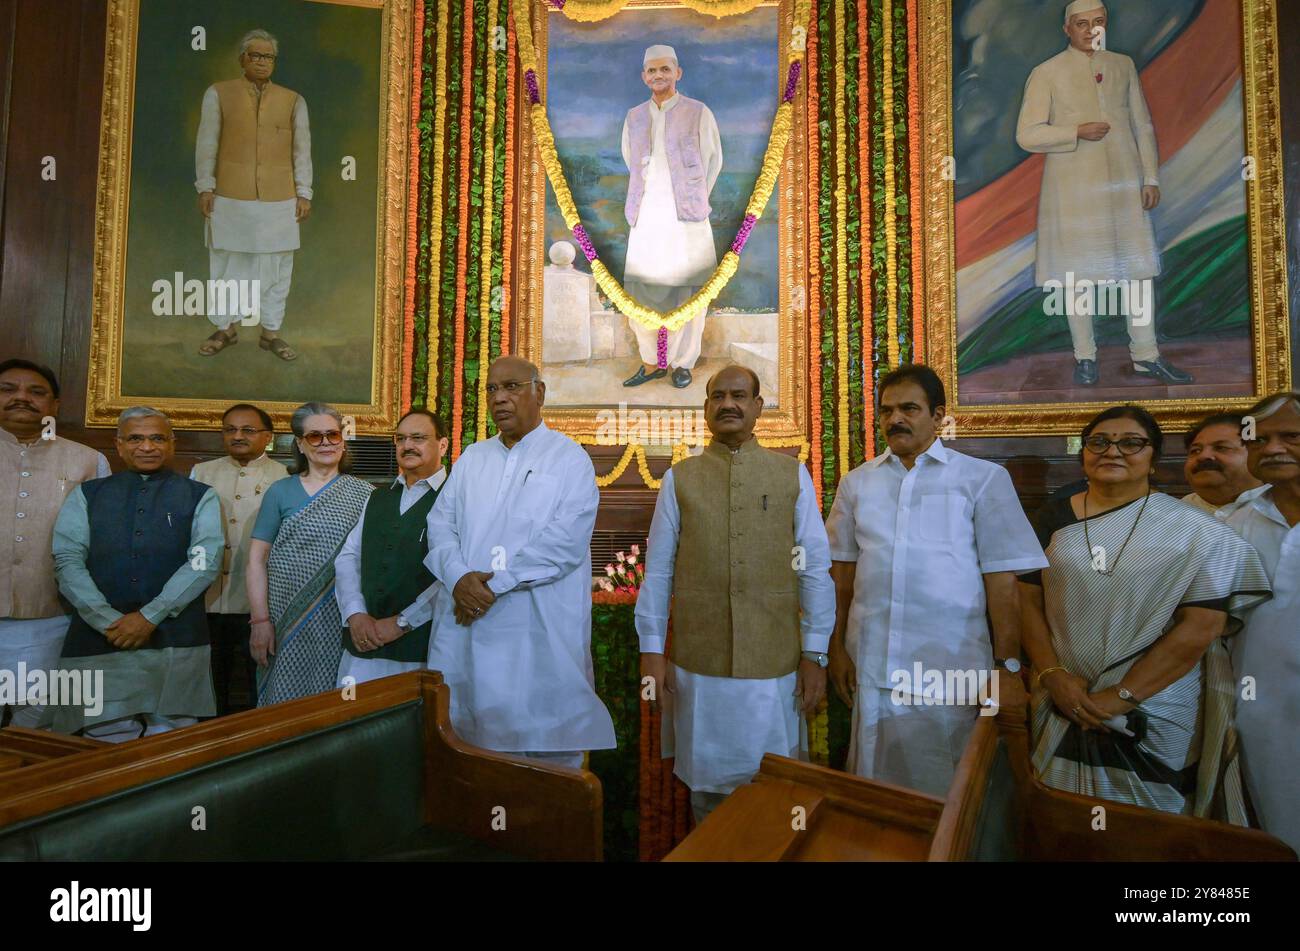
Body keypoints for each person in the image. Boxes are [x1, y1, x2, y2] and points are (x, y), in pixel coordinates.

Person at [1018, 405, 1270, 819]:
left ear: (1152, 458)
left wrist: (1121, 697)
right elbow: (1025, 600)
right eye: (1099, 442)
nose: (1112, 451)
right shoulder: (1052, 517)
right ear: (1083, 453)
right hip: (1063, 696)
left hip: (1156, 703)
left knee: (1150, 829)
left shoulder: (1194, 530)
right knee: (1061, 823)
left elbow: (1200, 627)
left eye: (1131, 443)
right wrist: (1053, 676)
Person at [826, 364, 1047, 796]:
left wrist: (1007, 667)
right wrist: (836, 650)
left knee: (950, 792)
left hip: (950, 670)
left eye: (909, 408)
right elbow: (842, 579)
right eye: (886, 410)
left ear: (939, 415)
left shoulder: (981, 479)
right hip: (873, 663)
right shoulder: (858, 483)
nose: (895, 420)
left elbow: (1003, 584)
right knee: (874, 793)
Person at [636, 364, 835, 822]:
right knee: (705, 793)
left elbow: (815, 568)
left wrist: (816, 653)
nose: (728, 404)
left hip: (775, 665)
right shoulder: (680, 478)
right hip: (698, 668)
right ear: (706, 408)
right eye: (718, 396)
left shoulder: (791, 475)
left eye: (739, 396)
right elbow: (659, 570)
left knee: (773, 789)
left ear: (758, 406)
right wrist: (651, 650)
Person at [425, 356, 615, 768]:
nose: (500, 398)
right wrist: (458, 578)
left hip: (538, 639)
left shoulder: (569, 459)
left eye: (511, 387)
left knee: (546, 773)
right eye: (492, 389)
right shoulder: (473, 458)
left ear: (539, 393)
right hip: (469, 632)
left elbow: (563, 544)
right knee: (472, 760)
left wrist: (491, 585)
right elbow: (440, 526)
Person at [1015, 2, 1191, 387]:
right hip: (1073, 189)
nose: (1090, 30)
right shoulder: (1047, 72)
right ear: (1067, 29)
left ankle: (1146, 355)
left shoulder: (1122, 65)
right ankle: (1085, 357)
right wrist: (1074, 130)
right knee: (1077, 276)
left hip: (1125, 183)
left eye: (1097, 22)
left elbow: (1142, 124)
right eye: (1081, 24)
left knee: (1138, 270)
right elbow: (1027, 134)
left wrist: (1150, 178)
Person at [51, 407, 223, 740]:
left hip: (176, 636)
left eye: (157, 438)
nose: (147, 447)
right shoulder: (87, 494)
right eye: (135, 438)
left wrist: (149, 616)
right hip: (99, 636)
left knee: (174, 741)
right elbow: (67, 560)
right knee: (104, 739)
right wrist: (106, 620)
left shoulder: (200, 495)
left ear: (172, 443)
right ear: (119, 445)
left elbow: (204, 561)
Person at [0, 360, 109, 728]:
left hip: (47, 612)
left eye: (36, 392)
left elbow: (102, 540)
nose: (21, 398)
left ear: (55, 405)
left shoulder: (87, 460)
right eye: (8, 389)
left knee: (35, 717)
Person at [195, 28, 312, 362]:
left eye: (268, 57)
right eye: (256, 56)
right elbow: (207, 142)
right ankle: (225, 328)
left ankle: (271, 333)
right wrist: (206, 185)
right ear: (242, 59)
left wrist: (304, 192)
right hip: (230, 194)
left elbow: (302, 150)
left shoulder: (293, 100)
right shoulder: (218, 94)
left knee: (276, 268)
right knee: (226, 264)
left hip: (280, 197)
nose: (262, 63)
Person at [246, 402, 372, 705]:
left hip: (340, 616)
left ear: (342, 439)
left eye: (333, 434)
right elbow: (255, 561)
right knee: (284, 695)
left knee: (334, 695)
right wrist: (260, 621)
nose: (326, 442)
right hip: (284, 616)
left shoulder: (366, 494)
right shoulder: (280, 491)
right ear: (300, 445)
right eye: (315, 437)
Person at [620, 44, 723, 391]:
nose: (658, 75)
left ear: (678, 73)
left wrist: (691, 199)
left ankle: (682, 363)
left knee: (690, 294)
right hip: (646, 220)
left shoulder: (698, 112)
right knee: (640, 295)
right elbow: (629, 160)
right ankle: (651, 362)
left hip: (687, 222)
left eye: (665, 69)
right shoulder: (634, 116)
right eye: (651, 70)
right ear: (643, 77)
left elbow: (713, 162)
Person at [1224, 392, 1300, 852]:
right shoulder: (1231, 524)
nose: (1272, 448)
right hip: (1264, 709)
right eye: (1259, 439)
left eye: (1290, 436)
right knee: (1281, 826)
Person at [334, 409, 449, 687]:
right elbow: (349, 557)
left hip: (422, 647)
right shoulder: (378, 497)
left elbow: (453, 575)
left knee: (413, 726)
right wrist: (355, 613)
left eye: (418, 438)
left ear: (442, 445)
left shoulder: (456, 496)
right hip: (363, 644)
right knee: (354, 722)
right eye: (400, 439)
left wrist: (402, 623)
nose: (407, 446)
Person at [189, 403, 287, 715]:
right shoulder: (202, 472)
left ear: (267, 437)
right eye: (230, 429)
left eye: (248, 430)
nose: (238, 436)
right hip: (207, 597)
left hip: (257, 602)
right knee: (209, 682)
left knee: (255, 681)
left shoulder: (283, 477)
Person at [1181, 413, 1264, 516]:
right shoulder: (1171, 516)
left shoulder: (1282, 510)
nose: (1203, 456)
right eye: (1195, 450)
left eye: (1221, 447)